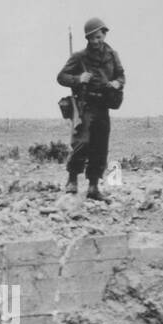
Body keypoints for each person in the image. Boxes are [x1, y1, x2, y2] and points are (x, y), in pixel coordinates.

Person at [57, 17, 125, 201]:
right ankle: (72, 180)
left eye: (99, 36)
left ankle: (93, 186)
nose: (96, 41)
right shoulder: (79, 57)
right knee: (82, 142)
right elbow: (62, 77)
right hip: (85, 105)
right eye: (92, 38)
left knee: (100, 146)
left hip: (103, 105)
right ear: (87, 39)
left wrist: (117, 84)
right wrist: (78, 79)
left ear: (104, 34)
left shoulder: (113, 55)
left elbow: (121, 75)